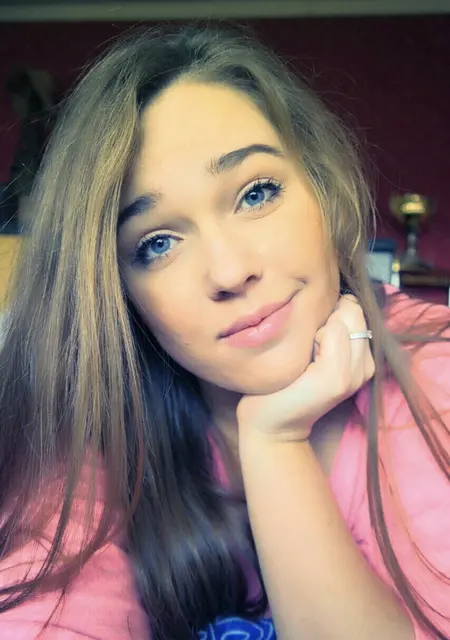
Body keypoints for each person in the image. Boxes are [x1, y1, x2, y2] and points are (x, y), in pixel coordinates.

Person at [0, 24, 448, 640]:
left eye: (256, 193)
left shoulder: (433, 368)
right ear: (119, 290)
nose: (231, 272)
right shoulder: (93, 429)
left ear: (322, 187)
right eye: (158, 243)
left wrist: (275, 443)